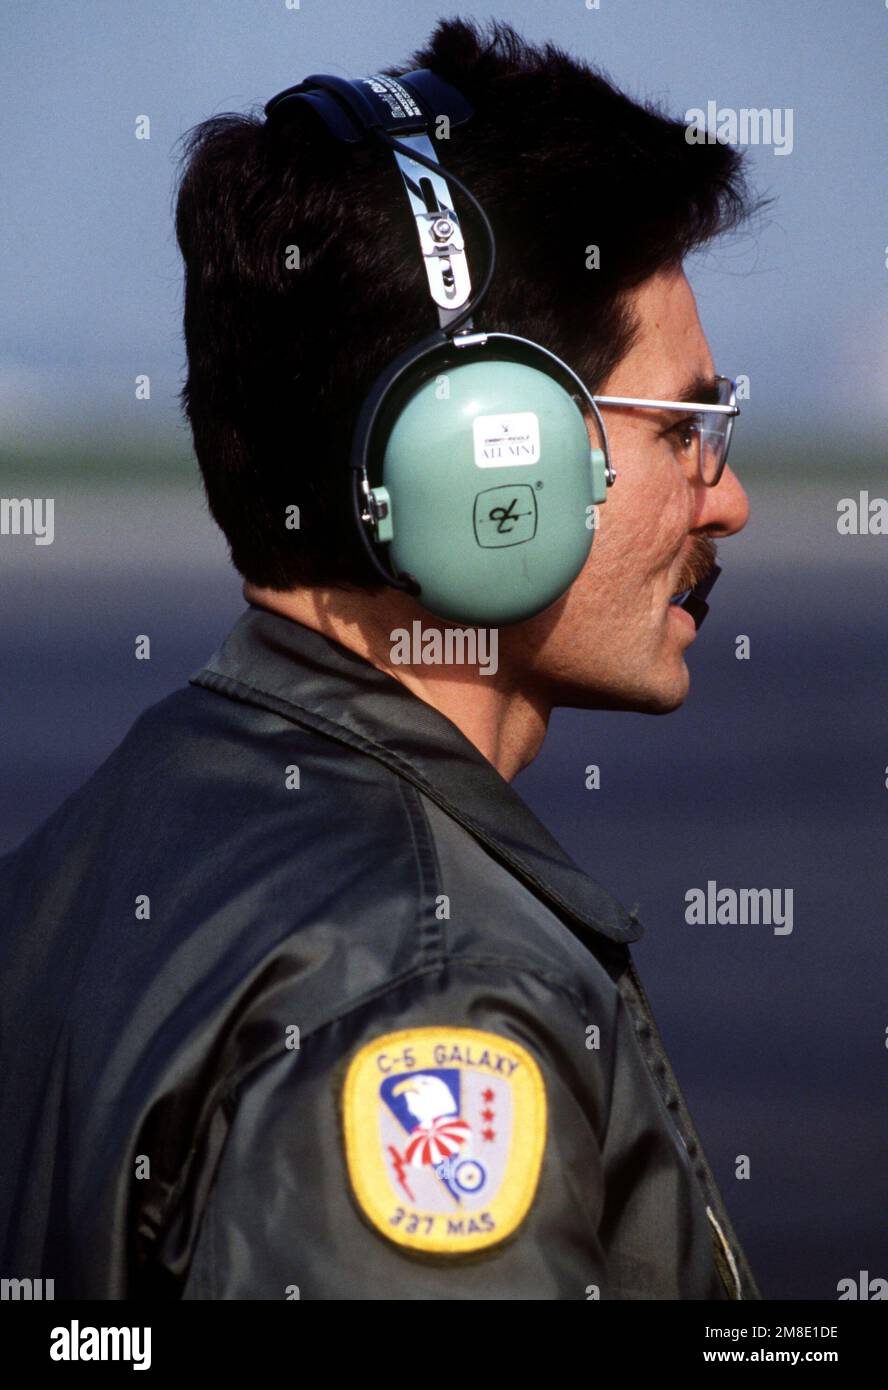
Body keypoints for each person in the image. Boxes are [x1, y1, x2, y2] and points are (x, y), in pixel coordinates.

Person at [0, 17, 766, 1299]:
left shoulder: (83, 861)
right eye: (686, 423)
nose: (726, 497)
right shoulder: (434, 996)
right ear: (486, 457)